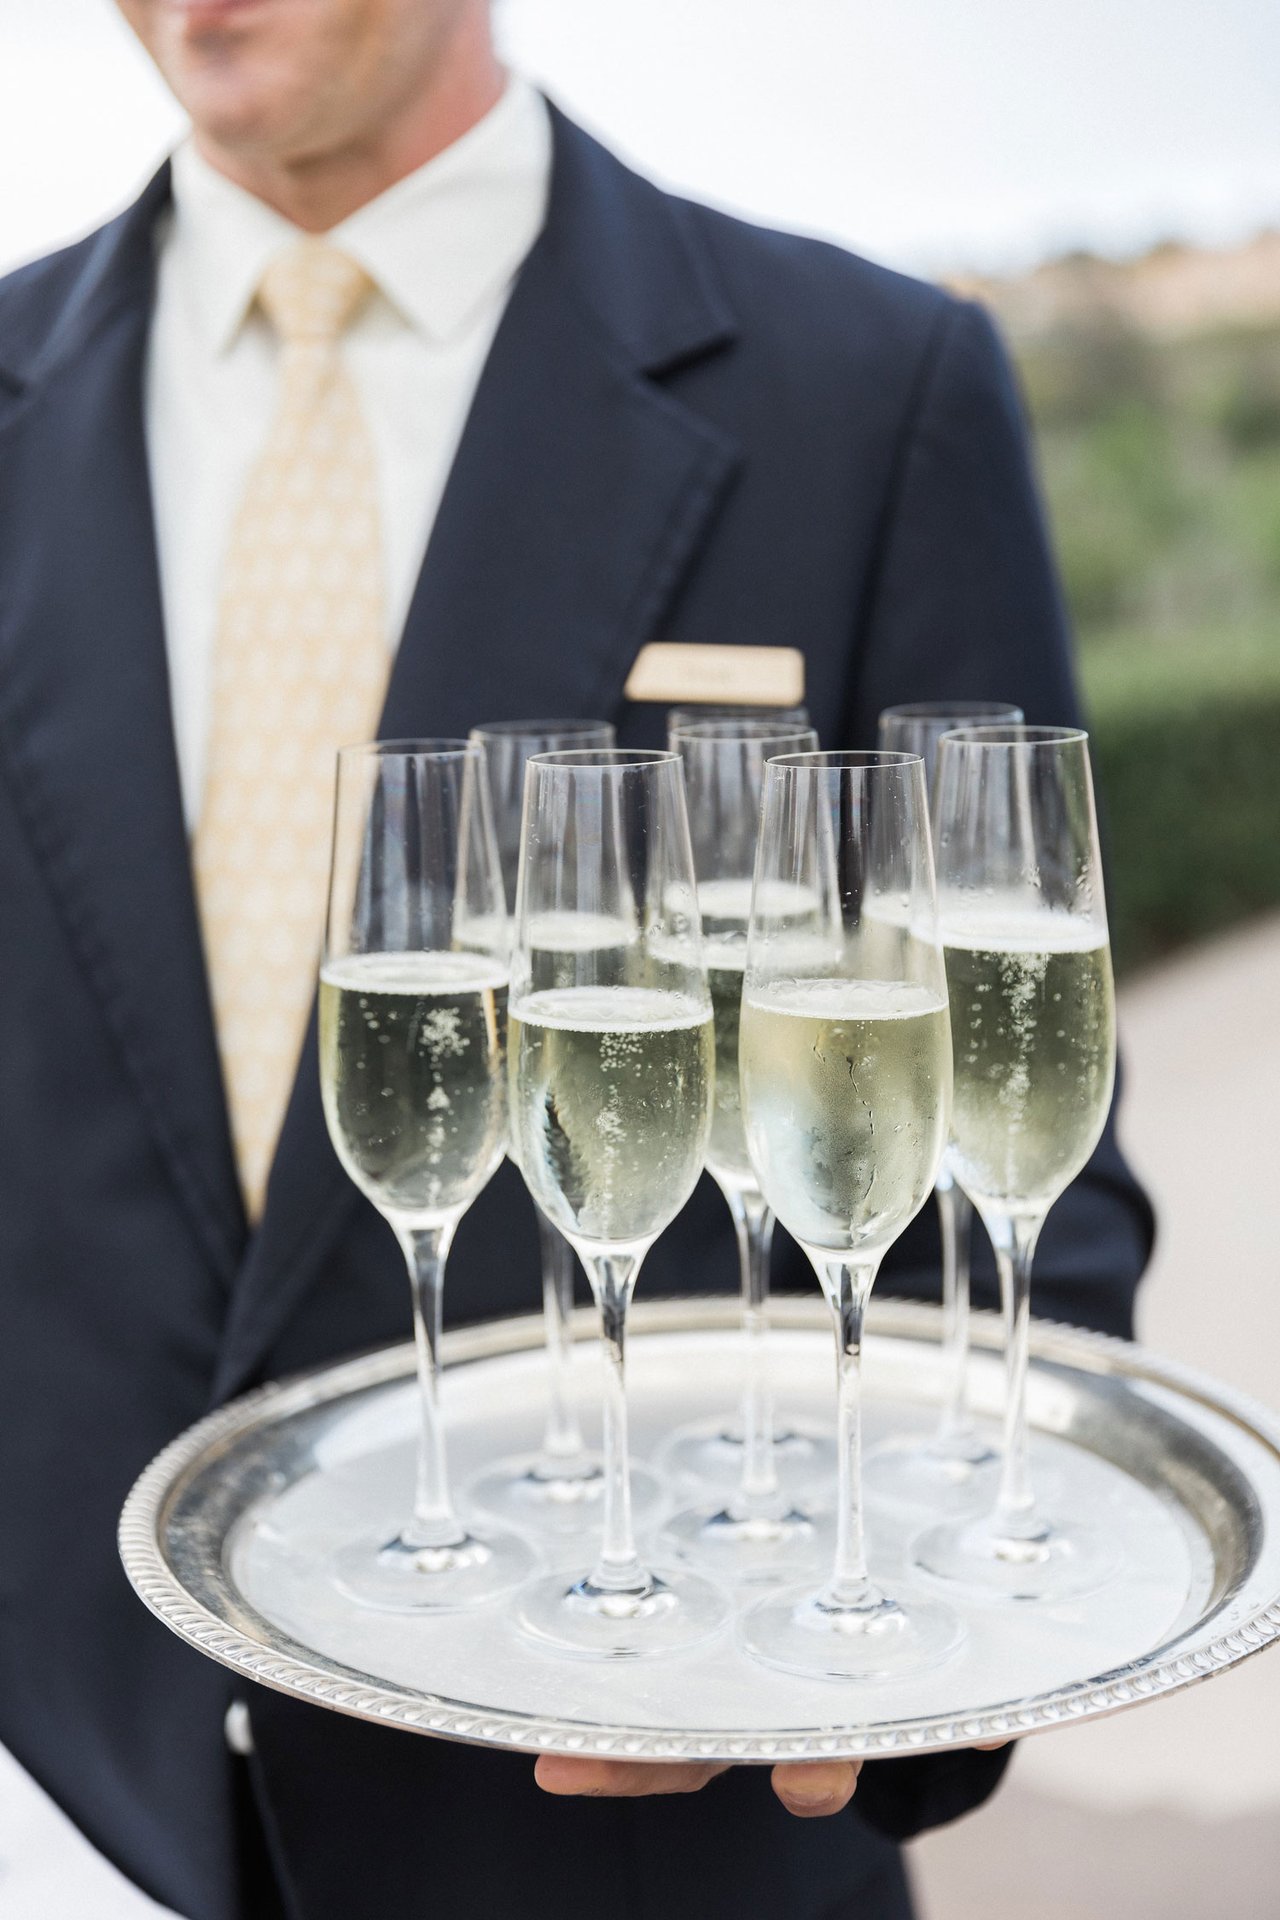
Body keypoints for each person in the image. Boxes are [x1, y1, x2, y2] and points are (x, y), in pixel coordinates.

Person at [0, 1, 1154, 1916]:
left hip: (645, 1847)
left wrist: (926, 1663)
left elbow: (1026, 1154)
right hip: (67, 1814)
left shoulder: (867, 388)